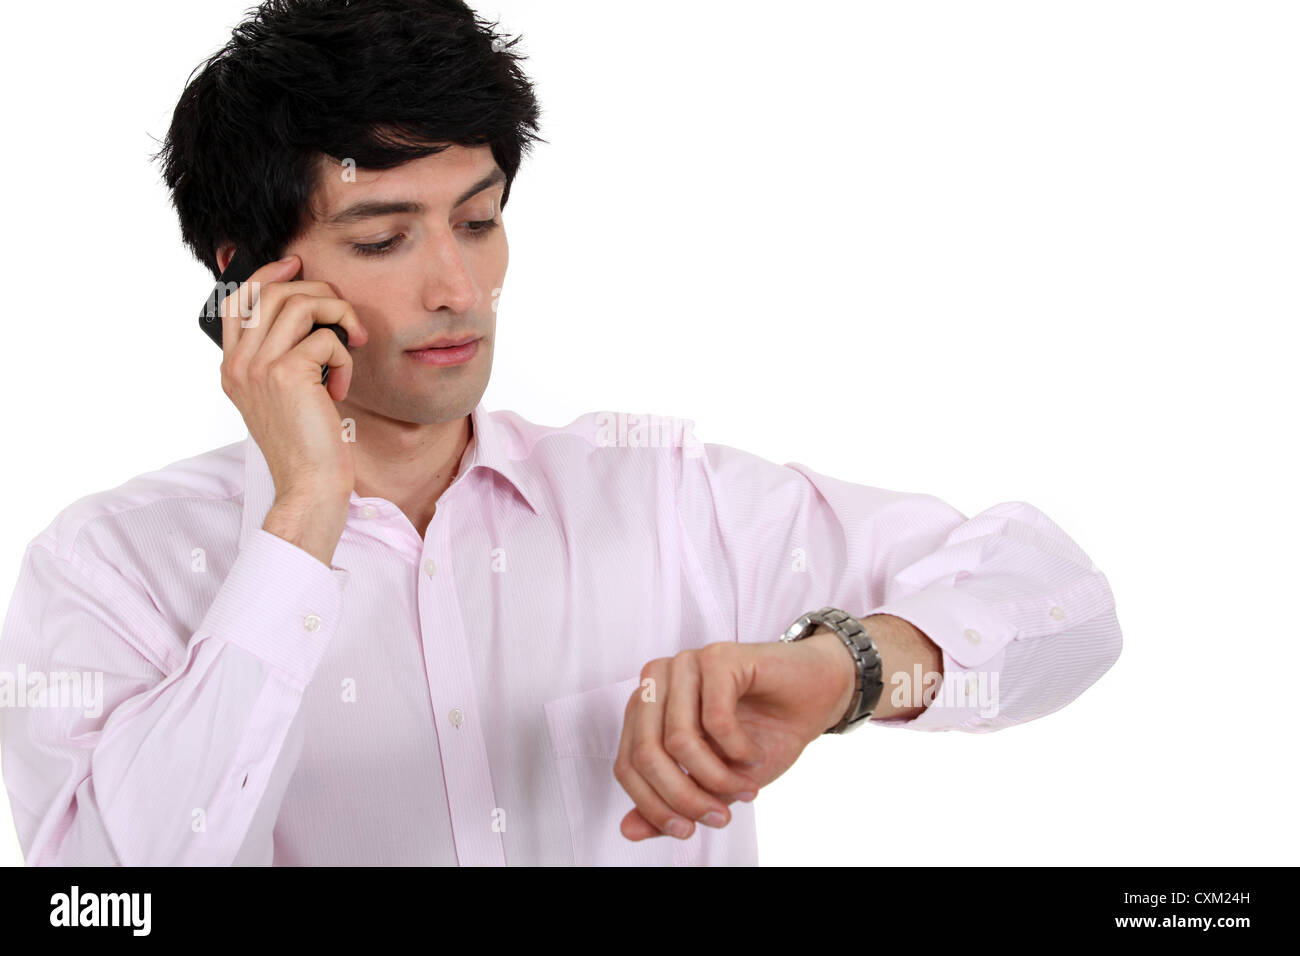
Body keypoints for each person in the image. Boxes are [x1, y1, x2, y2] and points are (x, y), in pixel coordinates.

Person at [0, 0, 1122, 866]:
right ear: (244, 276)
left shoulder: (662, 492)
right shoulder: (114, 566)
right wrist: (300, 519)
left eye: (479, 222)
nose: (458, 286)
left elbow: (1062, 601)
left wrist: (849, 669)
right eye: (385, 239)